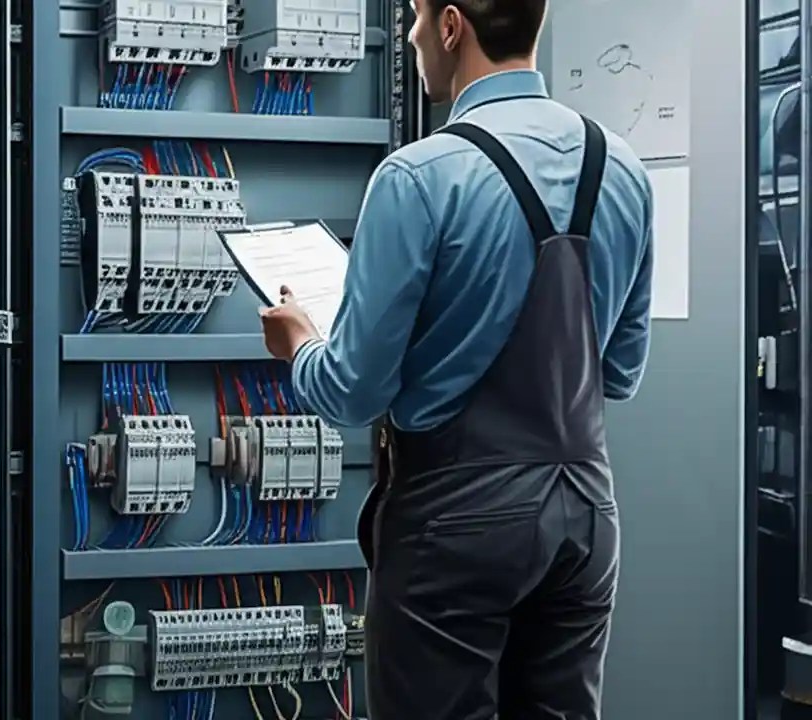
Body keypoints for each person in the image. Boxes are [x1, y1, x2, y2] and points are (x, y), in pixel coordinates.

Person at [258, 0, 653, 718]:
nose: (408, 37)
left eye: (413, 18)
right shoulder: (623, 167)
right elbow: (620, 372)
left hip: (456, 522)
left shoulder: (416, 177)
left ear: (450, 27)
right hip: (587, 520)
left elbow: (352, 390)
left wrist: (300, 343)